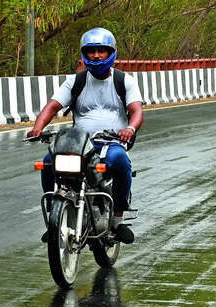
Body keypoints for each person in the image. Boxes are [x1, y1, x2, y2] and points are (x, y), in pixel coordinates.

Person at [27, 27, 144, 244]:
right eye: (91, 51)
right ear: (84, 53)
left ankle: (118, 219)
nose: (97, 55)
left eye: (102, 51)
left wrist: (130, 129)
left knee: (120, 161)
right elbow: (52, 106)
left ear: (111, 53)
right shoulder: (76, 82)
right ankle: (55, 215)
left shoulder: (123, 81)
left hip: (111, 142)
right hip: (80, 144)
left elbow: (136, 111)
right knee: (48, 161)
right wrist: (38, 126)